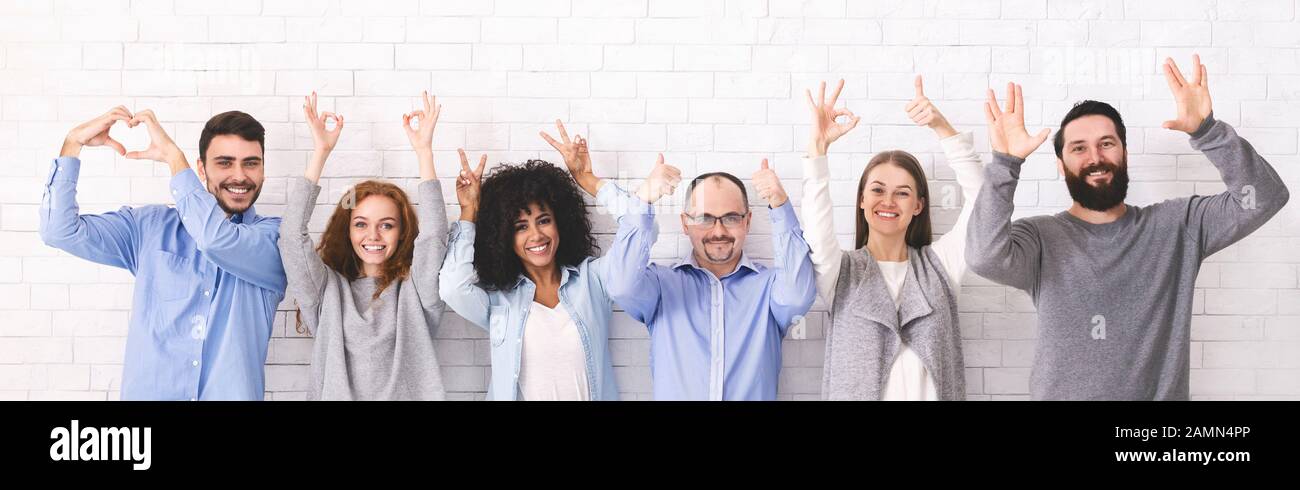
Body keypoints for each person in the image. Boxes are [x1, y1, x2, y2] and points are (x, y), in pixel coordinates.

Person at [965, 55, 1291, 400]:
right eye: (1079, 148)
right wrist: (1006, 164)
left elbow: (1264, 198)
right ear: (1061, 165)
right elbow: (984, 257)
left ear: (1124, 153)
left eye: (1106, 144)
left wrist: (1208, 131)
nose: (1095, 158)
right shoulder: (1040, 238)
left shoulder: (1177, 226)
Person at [40, 107, 286, 400]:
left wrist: (173, 158)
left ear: (263, 170)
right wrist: (73, 144)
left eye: (251, 163)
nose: (239, 176)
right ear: (201, 169)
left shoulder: (276, 240)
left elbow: (214, 240)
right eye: (225, 163)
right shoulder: (149, 227)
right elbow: (60, 231)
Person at [801, 77, 985, 400]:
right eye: (877, 190)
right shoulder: (841, 273)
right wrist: (818, 150)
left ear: (918, 205)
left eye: (902, 193)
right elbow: (817, 228)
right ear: (861, 200)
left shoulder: (941, 266)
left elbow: (984, 205)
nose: (888, 201)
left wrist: (942, 128)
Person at [279, 91, 450, 400]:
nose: (373, 235)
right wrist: (320, 152)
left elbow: (434, 237)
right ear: (347, 231)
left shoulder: (416, 290)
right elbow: (291, 237)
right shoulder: (327, 291)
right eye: (361, 224)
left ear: (402, 233)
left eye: (387, 225)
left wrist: (424, 152)